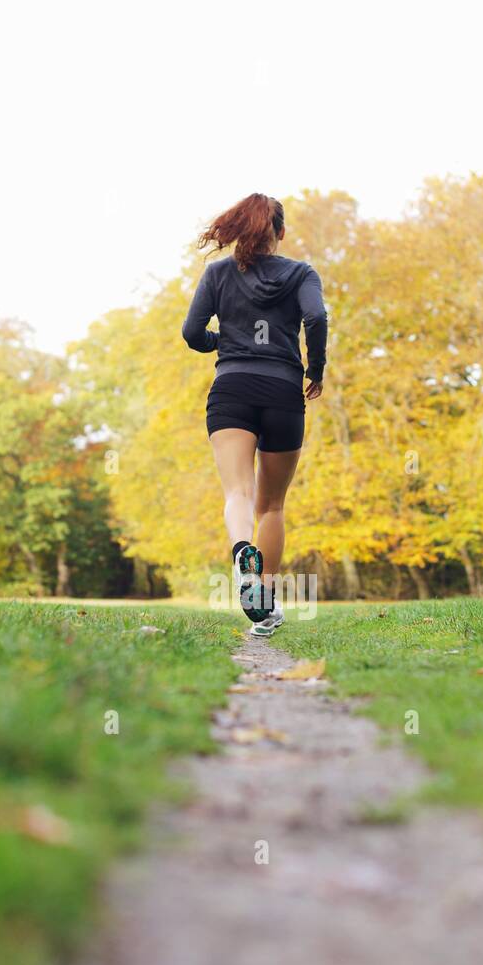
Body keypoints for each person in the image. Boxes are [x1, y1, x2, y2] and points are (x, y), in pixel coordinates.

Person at [181, 193, 327, 636]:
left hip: (233, 389)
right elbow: (316, 316)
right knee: (273, 504)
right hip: (283, 390)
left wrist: (219, 344)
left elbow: (191, 333)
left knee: (238, 494)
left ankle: (242, 550)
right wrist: (315, 368)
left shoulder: (218, 273)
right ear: (280, 232)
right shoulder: (301, 273)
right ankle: (265, 601)